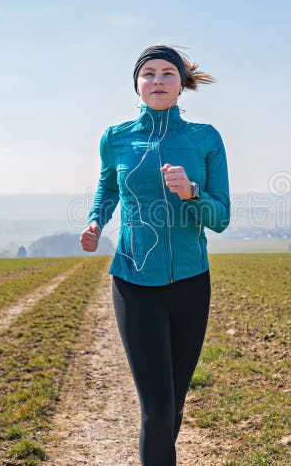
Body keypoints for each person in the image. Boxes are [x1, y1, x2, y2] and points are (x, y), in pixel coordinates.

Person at [80, 44, 230, 465]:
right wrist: (96, 221)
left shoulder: (205, 139)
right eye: (149, 73)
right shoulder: (116, 138)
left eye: (168, 73)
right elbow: (108, 187)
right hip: (133, 281)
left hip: (190, 283)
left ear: (181, 84)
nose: (158, 80)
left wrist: (192, 192)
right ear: (137, 84)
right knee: (158, 409)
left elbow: (221, 217)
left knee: (174, 407)